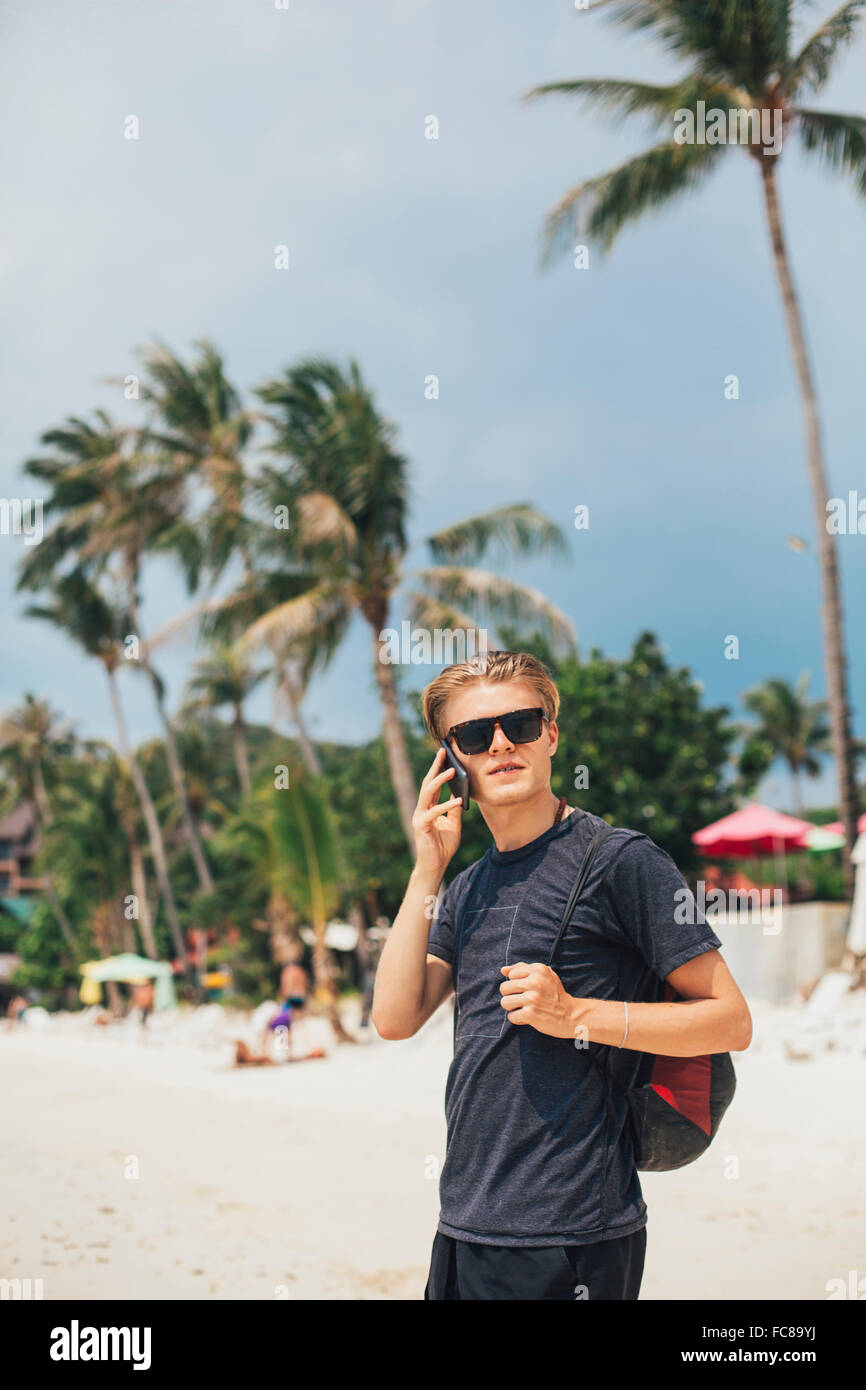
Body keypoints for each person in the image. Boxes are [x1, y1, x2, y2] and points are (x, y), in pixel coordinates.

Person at [372, 649, 752, 1301]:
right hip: (465, 1221)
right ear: (451, 757)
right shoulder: (464, 889)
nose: (499, 744)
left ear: (551, 734)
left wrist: (574, 1014)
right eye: (472, 734)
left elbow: (731, 1021)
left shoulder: (622, 862)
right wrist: (427, 868)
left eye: (519, 724)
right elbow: (394, 1017)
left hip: (572, 1232)